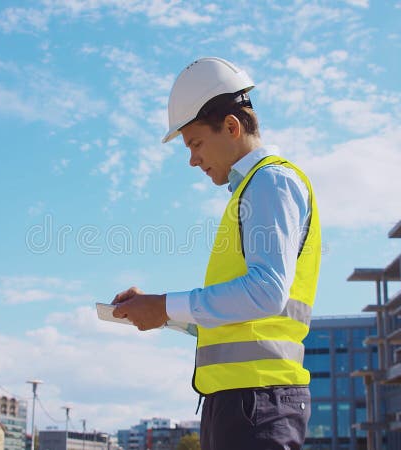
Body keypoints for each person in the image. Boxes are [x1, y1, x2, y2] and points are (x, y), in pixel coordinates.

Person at [112, 57, 321, 450]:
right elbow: (241, 317)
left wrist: (166, 305)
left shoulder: (269, 182)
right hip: (244, 403)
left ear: (231, 126)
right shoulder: (251, 192)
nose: (192, 159)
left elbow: (266, 293)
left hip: (257, 403)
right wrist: (159, 313)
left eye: (195, 143)